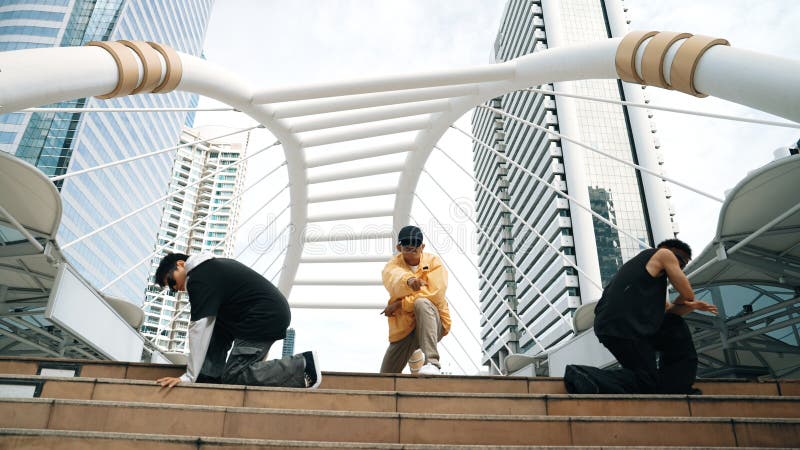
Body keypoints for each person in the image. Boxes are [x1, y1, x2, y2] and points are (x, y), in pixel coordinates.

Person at [564, 239, 718, 395]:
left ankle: (674, 387)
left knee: (671, 331)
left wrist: (690, 306)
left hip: (619, 327)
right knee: (648, 382)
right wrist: (689, 301)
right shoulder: (663, 254)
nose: (680, 267)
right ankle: (585, 375)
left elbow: (670, 312)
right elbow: (688, 294)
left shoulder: (646, 280)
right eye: (680, 261)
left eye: (683, 265)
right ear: (668, 250)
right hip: (624, 327)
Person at [153, 253, 321, 389]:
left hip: (263, 317)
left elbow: (198, 328)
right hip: (260, 314)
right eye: (171, 289)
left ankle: (302, 366)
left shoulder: (198, 277)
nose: (175, 288)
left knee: (234, 375)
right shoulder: (210, 269)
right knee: (216, 329)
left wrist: (188, 377)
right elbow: (212, 328)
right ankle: (209, 378)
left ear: (181, 264)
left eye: (172, 281)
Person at [380, 226, 451, 375]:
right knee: (384, 377)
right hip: (405, 329)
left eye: (415, 246)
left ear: (422, 247)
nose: (411, 250)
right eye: (407, 246)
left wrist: (400, 304)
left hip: (433, 324)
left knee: (422, 303)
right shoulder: (392, 266)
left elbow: (435, 295)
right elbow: (394, 278)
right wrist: (410, 280)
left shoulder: (434, 263)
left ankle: (432, 362)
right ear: (399, 247)